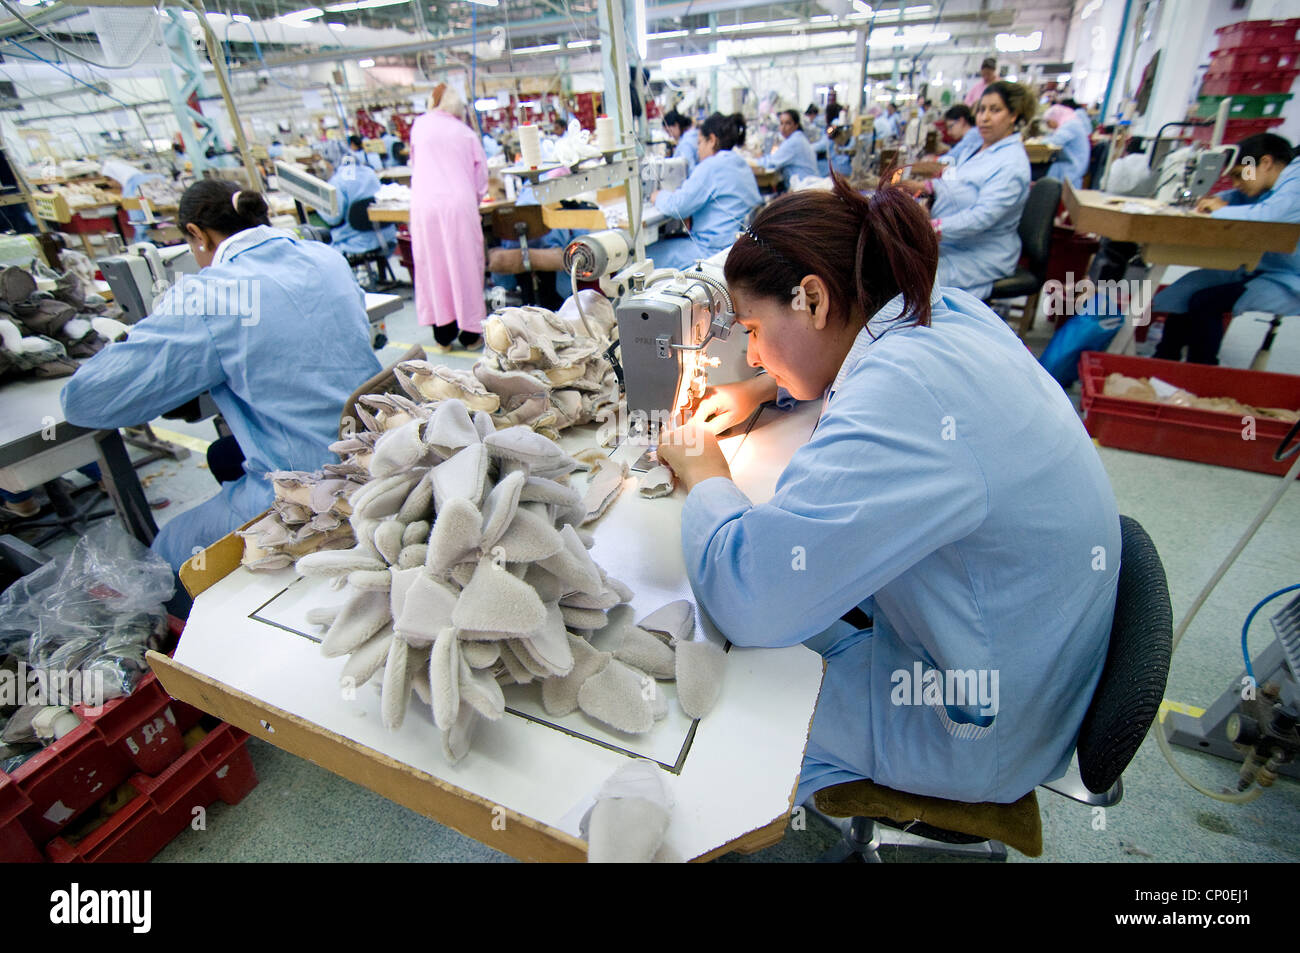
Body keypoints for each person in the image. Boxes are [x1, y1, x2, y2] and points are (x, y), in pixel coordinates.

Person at [654, 175, 1119, 808]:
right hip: (1029, 657)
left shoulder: (907, 396)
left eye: (754, 330)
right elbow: (851, 372)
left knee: (705, 685)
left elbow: (753, 598)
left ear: (813, 299)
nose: (753, 354)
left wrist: (706, 470)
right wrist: (766, 389)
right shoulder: (945, 311)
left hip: (973, 722)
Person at [59, 180, 381, 572]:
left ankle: (192, 615)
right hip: (372, 452)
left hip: (311, 487)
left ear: (196, 234)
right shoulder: (326, 257)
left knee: (168, 549)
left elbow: (85, 401)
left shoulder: (212, 293)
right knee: (222, 454)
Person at [1152, 133, 1300, 364]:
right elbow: (1233, 199)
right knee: (1184, 292)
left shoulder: (1295, 181)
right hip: (1259, 268)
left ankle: (1201, 372)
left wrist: (1219, 208)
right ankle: (1162, 362)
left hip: (1289, 279)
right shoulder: (1266, 190)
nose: (1237, 183)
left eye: (1240, 175)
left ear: (1266, 163)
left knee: (1206, 301)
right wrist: (1203, 200)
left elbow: (1269, 216)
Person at [897, 80, 1033, 299]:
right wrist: (926, 187)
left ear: (1014, 115)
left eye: (995, 110)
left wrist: (929, 227)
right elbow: (955, 176)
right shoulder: (977, 146)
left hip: (980, 252)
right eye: (981, 110)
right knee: (899, 262)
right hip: (954, 242)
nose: (984, 117)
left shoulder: (1012, 164)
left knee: (912, 280)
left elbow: (981, 217)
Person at [409, 82, 490, 350]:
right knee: (465, 267)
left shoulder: (419, 127)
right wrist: (474, 198)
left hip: (424, 207)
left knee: (434, 268)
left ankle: (442, 335)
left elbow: (415, 163)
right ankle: (470, 335)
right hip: (458, 204)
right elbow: (481, 179)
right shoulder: (465, 133)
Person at [648, 113, 762, 271]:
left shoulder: (711, 166)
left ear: (712, 140)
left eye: (700, 143)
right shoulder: (740, 163)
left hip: (712, 253)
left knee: (646, 256)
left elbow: (677, 206)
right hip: (737, 247)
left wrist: (658, 196)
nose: (698, 149)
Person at [319, 156, 396, 256]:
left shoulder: (337, 181)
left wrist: (319, 206)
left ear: (330, 163)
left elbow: (333, 218)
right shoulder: (370, 173)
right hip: (386, 235)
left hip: (357, 242)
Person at [764, 109, 819, 188]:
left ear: (796, 125)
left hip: (804, 189)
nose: (783, 128)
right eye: (781, 123)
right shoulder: (798, 138)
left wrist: (749, 161)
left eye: (788, 123)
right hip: (807, 186)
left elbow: (771, 162)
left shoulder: (794, 141)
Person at [1043, 104, 1091, 189]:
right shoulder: (1071, 123)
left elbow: (1055, 141)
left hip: (1071, 167)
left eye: (1048, 122)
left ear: (1055, 118)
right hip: (1071, 164)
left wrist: (1038, 141)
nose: (1048, 126)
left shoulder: (1070, 125)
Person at [934, 104, 981, 169]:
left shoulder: (973, 134)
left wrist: (933, 159)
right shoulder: (973, 133)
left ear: (961, 121)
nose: (949, 132)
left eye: (950, 127)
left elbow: (951, 159)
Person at [664, 109, 700, 173]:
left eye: (668, 131)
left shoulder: (685, 144)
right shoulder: (693, 136)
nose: (670, 135)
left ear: (676, 125)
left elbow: (689, 170)